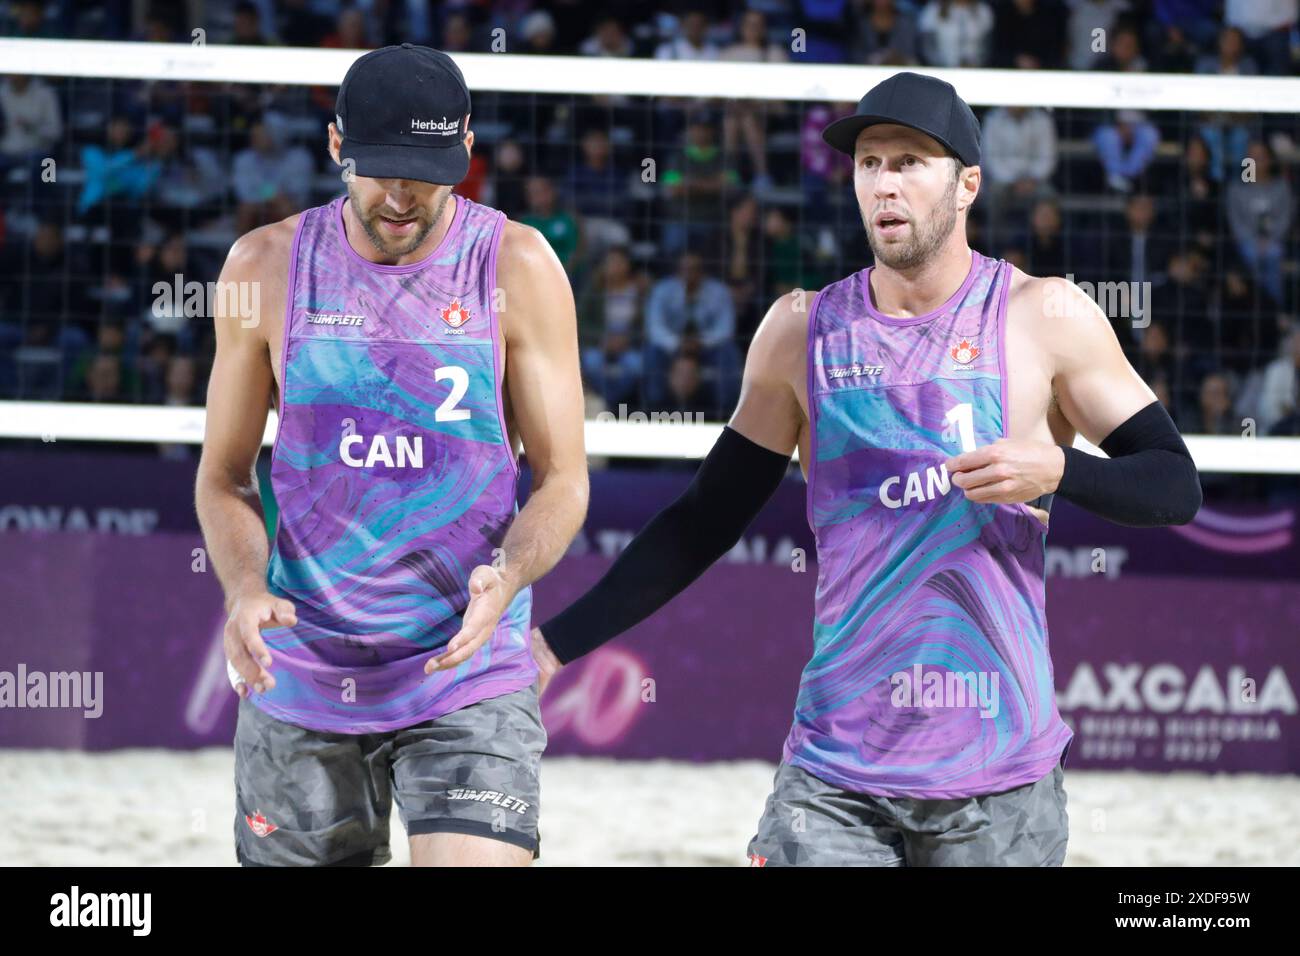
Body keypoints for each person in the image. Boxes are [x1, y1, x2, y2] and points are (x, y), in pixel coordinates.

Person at [529, 73, 1201, 867]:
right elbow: (703, 521)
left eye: (911, 162)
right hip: (835, 772)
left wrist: (1059, 469)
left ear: (967, 184)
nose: (885, 181)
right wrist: (551, 648)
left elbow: (1172, 483)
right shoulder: (800, 330)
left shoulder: (1041, 317)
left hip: (998, 777)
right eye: (870, 163)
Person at [196, 45, 588, 867]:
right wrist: (241, 590)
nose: (404, 196)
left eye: (426, 170)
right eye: (382, 170)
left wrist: (510, 575)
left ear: (467, 149)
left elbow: (562, 480)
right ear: (336, 144)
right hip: (302, 668)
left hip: (463, 665)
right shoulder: (263, 268)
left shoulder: (517, 265)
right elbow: (225, 477)